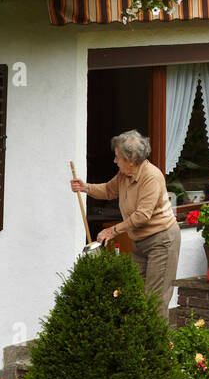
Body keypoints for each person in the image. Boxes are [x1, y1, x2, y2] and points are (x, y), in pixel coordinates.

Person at [70, 130, 180, 322]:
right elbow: (108, 190)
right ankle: (137, 344)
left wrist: (113, 230)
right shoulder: (124, 174)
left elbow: (142, 215)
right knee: (130, 291)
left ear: (131, 160)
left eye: (118, 157)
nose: (115, 160)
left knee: (155, 299)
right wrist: (85, 187)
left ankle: (158, 349)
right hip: (140, 242)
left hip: (162, 240)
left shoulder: (151, 177)